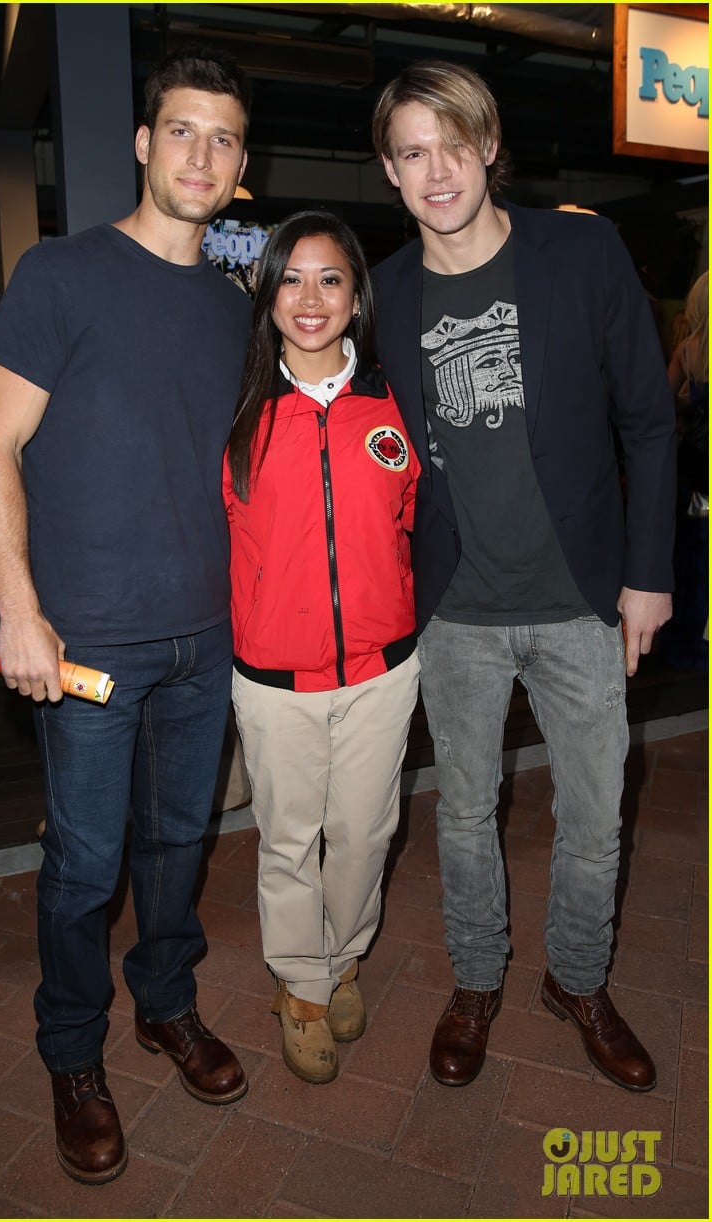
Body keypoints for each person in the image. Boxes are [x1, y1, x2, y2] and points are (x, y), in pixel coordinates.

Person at [0, 45, 253, 1185]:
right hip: (85, 638)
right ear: (142, 143)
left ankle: (166, 1003)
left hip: (205, 638)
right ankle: (72, 1052)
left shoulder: (232, 307)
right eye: (182, 130)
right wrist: (18, 611)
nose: (201, 155)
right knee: (86, 867)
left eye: (223, 138)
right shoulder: (61, 273)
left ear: (240, 164)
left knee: (179, 845)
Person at [370, 61, 676, 1093]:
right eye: (413, 153)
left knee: (594, 817)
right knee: (462, 814)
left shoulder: (581, 250)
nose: (437, 171)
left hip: (582, 598)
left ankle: (576, 980)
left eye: (453, 146)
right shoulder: (385, 290)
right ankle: (474, 980)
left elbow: (648, 420)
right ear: (389, 171)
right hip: (453, 606)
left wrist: (648, 575)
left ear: (489, 147)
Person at [224, 211, 421, 1083]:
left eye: (330, 279)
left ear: (355, 296)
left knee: (365, 836)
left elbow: (408, 515)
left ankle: (342, 961)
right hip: (276, 679)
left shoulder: (392, 401)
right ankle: (301, 988)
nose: (310, 298)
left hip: (383, 670)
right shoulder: (235, 408)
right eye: (291, 279)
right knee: (288, 842)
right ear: (267, 294)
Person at [661, 270, 708, 670]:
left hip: (693, 472)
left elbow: (659, 407)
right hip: (697, 475)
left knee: (690, 558)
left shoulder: (689, 351)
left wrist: (687, 406)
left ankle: (684, 647)